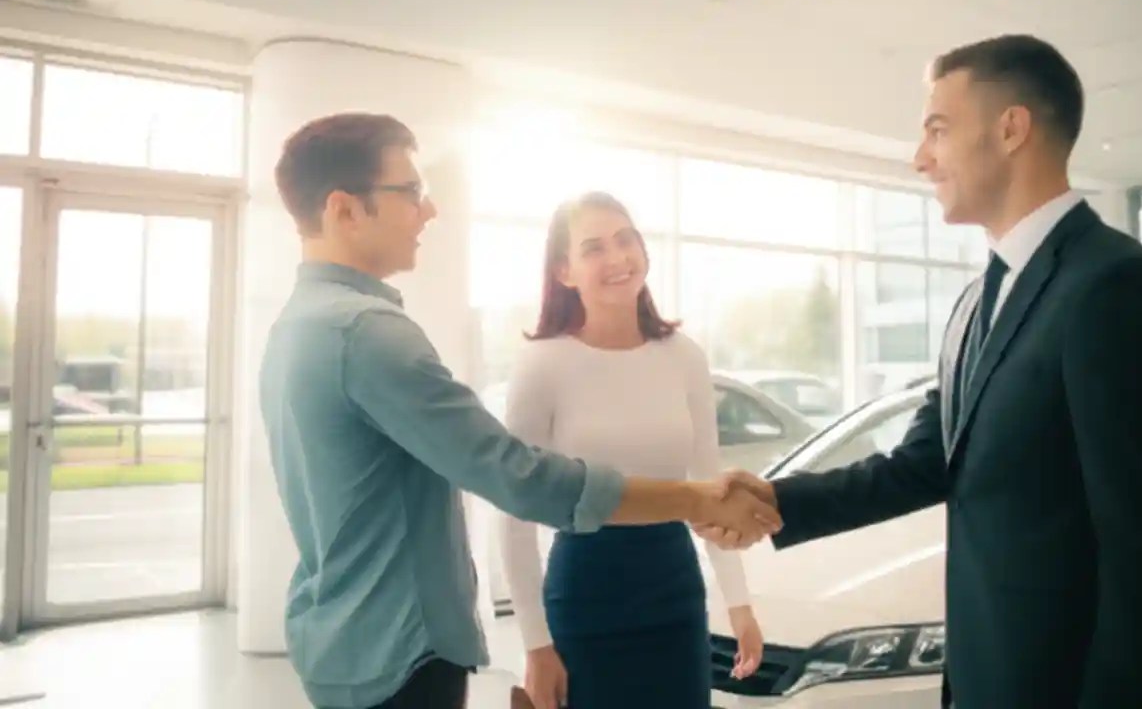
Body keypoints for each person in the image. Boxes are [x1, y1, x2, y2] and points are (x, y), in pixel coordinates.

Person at [699, 34, 1142, 709]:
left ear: (1011, 129)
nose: (920, 158)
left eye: (937, 130)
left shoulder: (1119, 290)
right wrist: (775, 501)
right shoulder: (978, 300)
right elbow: (925, 463)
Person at [258, 113, 782, 709]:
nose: (428, 210)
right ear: (345, 210)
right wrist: (694, 500)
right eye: (410, 191)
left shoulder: (300, 327)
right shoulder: (366, 333)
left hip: (357, 641)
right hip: (400, 648)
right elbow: (515, 476)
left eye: (626, 239)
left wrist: (731, 585)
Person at [496, 191, 764, 709]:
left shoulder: (684, 357)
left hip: (674, 591)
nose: (617, 258)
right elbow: (514, 514)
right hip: (585, 597)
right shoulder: (542, 363)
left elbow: (710, 486)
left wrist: (739, 603)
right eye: (593, 248)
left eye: (626, 240)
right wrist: (536, 645)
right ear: (564, 271)